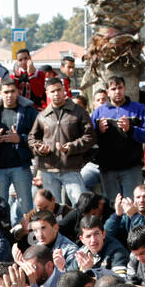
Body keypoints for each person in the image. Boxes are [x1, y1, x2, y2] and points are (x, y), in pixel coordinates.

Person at [28, 77, 95, 205]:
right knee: (51, 208)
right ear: (47, 93)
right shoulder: (42, 115)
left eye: (59, 90)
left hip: (71, 166)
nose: (56, 93)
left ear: (64, 90)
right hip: (48, 169)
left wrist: (71, 147)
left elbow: (90, 136)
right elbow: (32, 138)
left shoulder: (79, 112)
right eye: (52, 91)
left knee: (80, 205)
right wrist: (39, 148)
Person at [92, 76, 145, 205]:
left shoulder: (139, 109)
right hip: (108, 168)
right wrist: (98, 131)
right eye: (113, 88)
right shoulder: (98, 112)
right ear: (107, 91)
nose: (117, 91)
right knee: (112, 205)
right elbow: (89, 138)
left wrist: (131, 129)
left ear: (125, 88)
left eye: (120, 87)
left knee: (131, 204)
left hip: (131, 167)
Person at [0, 79, 39, 221]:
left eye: (12, 91)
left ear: (17, 92)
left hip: (20, 165)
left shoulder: (29, 111)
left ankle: (29, 237)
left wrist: (20, 139)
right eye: (6, 92)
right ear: (0, 93)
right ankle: (4, 237)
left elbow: (38, 135)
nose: (9, 95)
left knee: (26, 206)